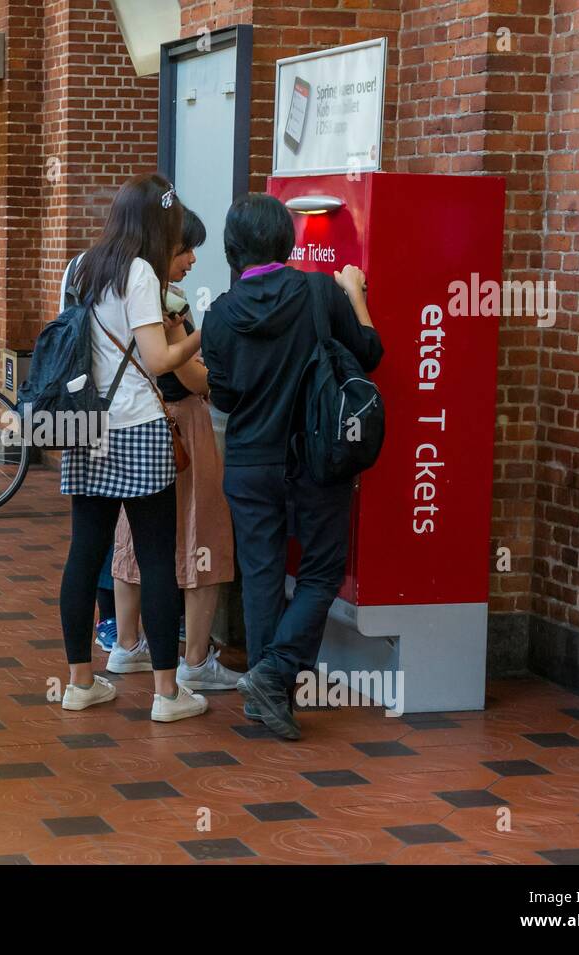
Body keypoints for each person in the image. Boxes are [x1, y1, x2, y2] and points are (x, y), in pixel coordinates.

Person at [202, 194, 383, 740]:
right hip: (316, 458)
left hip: (250, 465)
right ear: (288, 242)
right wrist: (356, 294)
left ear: (233, 250)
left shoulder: (219, 317)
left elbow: (227, 400)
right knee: (322, 570)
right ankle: (275, 677)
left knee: (260, 576)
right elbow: (369, 355)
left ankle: (266, 691)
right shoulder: (319, 292)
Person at [56, 172, 207, 723]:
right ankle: (168, 695)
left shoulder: (81, 266)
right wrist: (198, 334)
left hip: (84, 427)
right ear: (155, 221)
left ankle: (78, 682)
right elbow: (158, 360)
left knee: (84, 554)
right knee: (155, 558)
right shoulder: (139, 271)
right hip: (137, 429)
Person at [109, 208, 240, 691]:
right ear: (164, 246)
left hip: (137, 422)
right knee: (201, 529)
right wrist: (212, 353)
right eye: (186, 249)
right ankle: (196, 661)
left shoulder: (115, 283)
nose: (190, 261)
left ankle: (126, 646)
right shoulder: (167, 304)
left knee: (134, 533)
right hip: (179, 424)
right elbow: (190, 376)